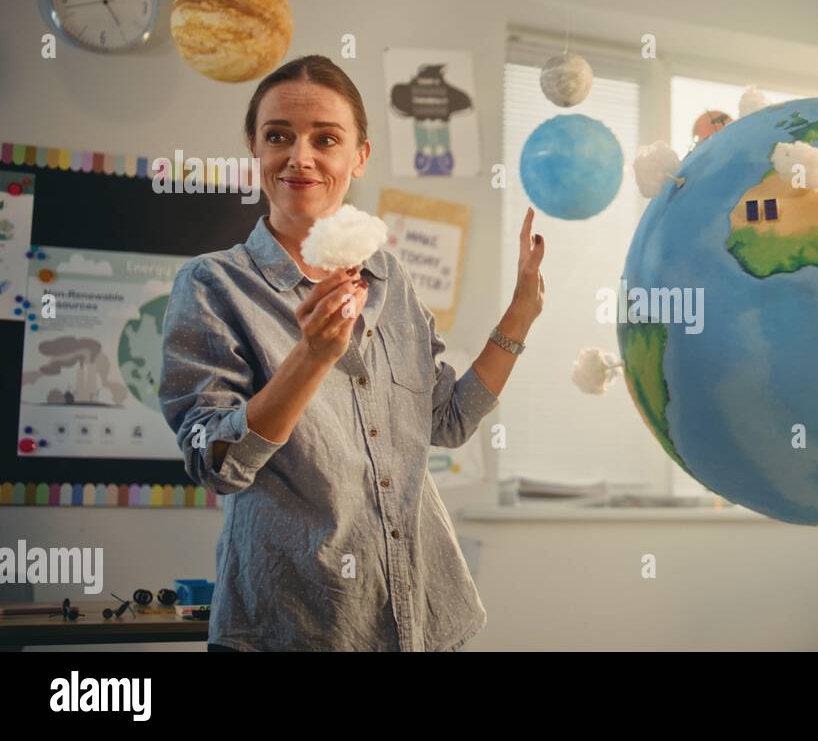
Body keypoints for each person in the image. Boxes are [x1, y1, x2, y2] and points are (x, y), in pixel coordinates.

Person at [158, 55, 544, 651]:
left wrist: (519, 315)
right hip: (295, 625)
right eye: (278, 136)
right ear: (254, 150)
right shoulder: (211, 285)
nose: (301, 156)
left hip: (422, 618)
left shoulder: (389, 277)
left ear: (359, 157)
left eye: (326, 139)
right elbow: (217, 464)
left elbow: (447, 419)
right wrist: (310, 358)